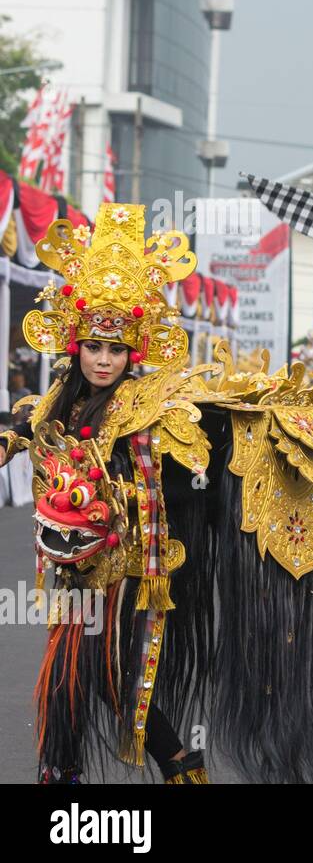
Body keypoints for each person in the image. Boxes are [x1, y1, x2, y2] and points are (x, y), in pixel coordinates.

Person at [0, 204, 208, 783]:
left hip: (116, 568)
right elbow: (29, 425)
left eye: (115, 350)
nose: (103, 359)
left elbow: (168, 475)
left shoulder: (142, 406)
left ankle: (155, 768)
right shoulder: (58, 397)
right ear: (76, 346)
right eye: (94, 347)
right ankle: (75, 772)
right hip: (70, 564)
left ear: (131, 354)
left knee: (102, 677)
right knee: (80, 678)